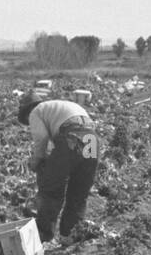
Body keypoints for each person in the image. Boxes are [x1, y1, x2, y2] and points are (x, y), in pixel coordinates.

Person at [18, 89, 99, 245]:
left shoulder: (36, 112)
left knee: (51, 188)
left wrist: (36, 161)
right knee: (79, 190)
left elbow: (41, 139)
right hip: (92, 139)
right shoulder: (59, 106)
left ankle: (43, 234)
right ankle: (69, 236)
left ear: (27, 111)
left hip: (71, 138)